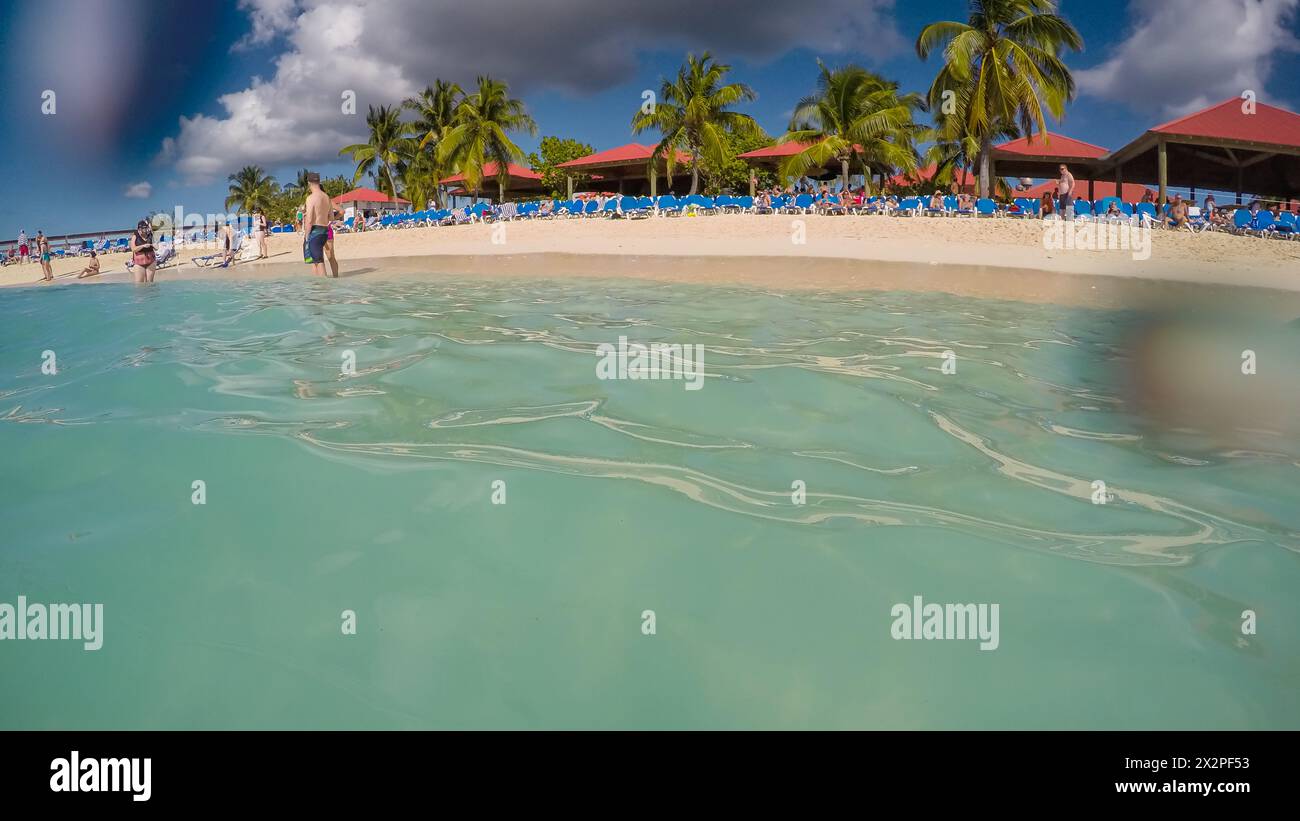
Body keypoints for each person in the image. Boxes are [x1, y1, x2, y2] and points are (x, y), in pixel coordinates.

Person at [301, 172, 334, 277]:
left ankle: (324, 289)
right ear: (319, 182)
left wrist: (306, 236)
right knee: (316, 260)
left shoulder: (310, 198)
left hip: (315, 232)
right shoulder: (326, 197)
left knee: (319, 261)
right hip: (324, 232)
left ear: (309, 183)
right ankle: (318, 288)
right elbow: (331, 217)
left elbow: (309, 219)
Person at [129, 219, 157, 284]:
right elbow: (133, 249)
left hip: (151, 262)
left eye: (145, 228)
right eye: (142, 229)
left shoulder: (150, 235)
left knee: (150, 283)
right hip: (139, 263)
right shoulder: (135, 236)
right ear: (139, 229)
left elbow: (156, 247)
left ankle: (151, 294)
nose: (144, 231)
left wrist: (154, 245)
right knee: (139, 284)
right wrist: (143, 246)